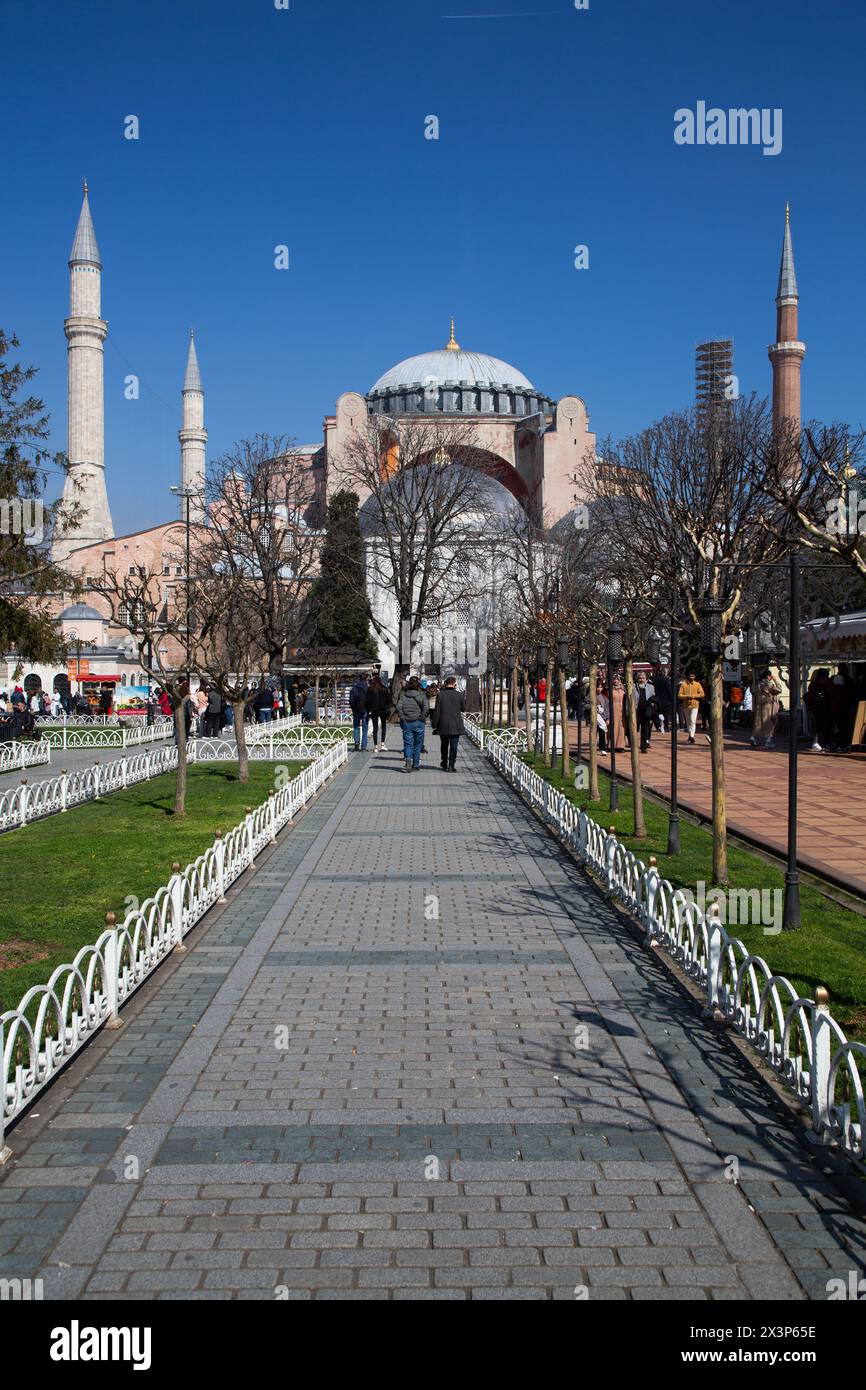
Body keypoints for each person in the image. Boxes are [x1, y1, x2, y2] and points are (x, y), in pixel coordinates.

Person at [432, 674, 466, 772]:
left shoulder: (440, 694)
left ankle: (444, 762)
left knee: (444, 745)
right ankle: (451, 765)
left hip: (443, 724)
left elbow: (437, 711)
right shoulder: (460, 695)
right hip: (456, 724)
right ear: (454, 684)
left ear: (446, 684)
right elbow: (463, 709)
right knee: (454, 746)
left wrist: (435, 724)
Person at [396, 675, 428, 772]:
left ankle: (408, 760)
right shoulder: (422, 695)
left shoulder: (403, 695)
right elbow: (426, 708)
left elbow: (398, 707)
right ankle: (416, 765)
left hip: (407, 722)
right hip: (418, 722)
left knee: (408, 744)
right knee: (417, 745)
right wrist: (422, 717)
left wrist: (402, 717)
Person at [751, 670, 782, 748]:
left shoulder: (758, 684)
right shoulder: (768, 683)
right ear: (769, 676)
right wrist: (775, 680)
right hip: (767, 706)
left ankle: (753, 737)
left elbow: (754, 692)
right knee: (769, 723)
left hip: (759, 706)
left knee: (758, 723)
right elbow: (779, 690)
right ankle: (768, 741)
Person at [806, 668, 833, 752]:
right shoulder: (828, 683)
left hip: (816, 709)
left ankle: (819, 743)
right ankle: (825, 744)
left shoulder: (813, 684)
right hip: (826, 709)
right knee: (826, 727)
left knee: (818, 727)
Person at [678, 670, 705, 744]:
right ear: (688, 676)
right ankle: (690, 736)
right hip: (686, 705)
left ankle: (691, 736)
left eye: (693, 676)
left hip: (695, 705)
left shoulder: (697, 684)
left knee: (692, 721)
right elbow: (679, 695)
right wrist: (686, 696)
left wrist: (694, 696)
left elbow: (702, 694)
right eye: (690, 676)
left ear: (695, 677)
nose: (691, 677)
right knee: (688, 722)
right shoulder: (683, 684)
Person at [364, 675, 390, 752]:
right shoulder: (384, 689)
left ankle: (375, 746)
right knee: (383, 726)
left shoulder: (370, 689)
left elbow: (367, 701)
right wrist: (385, 705)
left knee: (375, 728)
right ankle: (382, 744)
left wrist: (368, 710)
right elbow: (389, 699)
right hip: (383, 710)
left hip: (374, 710)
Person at [348, 673, 369, 751]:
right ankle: (363, 747)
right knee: (364, 729)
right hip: (365, 711)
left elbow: (351, 700)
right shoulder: (367, 688)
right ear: (366, 679)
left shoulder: (354, 688)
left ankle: (356, 743)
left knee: (356, 727)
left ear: (359, 679)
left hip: (356, 711)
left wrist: (353, 708)